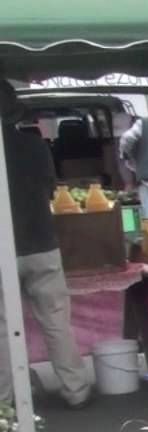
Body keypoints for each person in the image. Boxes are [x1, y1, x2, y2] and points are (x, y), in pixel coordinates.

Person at [0, 81, 92, 409]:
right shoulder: (34, 146)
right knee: (56, 322)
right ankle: (76, 389)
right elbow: (51, 190)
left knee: (2, 330)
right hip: (42, 243)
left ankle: (7, 404)